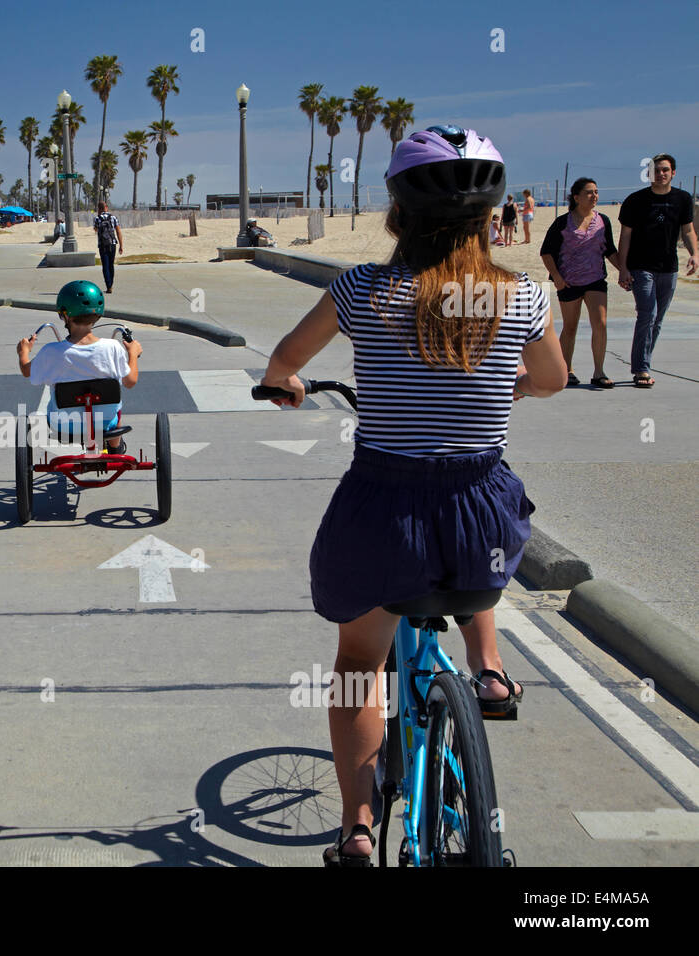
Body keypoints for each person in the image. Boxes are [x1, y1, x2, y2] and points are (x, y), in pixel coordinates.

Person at [259, 125, 566, 866]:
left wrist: (287, 386)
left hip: (383, 512)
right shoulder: (524, 296)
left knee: (360, 665)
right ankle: (487, 667)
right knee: (480, 504)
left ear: (397, 215)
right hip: (478, 514)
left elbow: (284, 361)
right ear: (490, 217)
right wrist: (505, 388)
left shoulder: (362, 290)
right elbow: (553, 379)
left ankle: (359, 826)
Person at [16, 280, 141, 452]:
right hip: (106, 424)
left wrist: (23, 352)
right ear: (98, 314)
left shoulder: (51, 351)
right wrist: (132, 354)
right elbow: (130, 381)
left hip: (64, 426)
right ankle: (115, 446)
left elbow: (26, 371)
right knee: (115, 400)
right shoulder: (112, 347)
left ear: (64, 315)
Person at [617, 153, 698, 387]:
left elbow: (688, 230)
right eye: (656, 170)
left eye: (665, 170)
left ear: (673, 173)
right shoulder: (635, 200)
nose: (660, 174)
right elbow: (625, 236)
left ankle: (644, 361)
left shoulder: (683, 199)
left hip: (669, 268)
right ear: (649, 173)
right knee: (647, 314)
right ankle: (641, 369)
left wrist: (695, 254)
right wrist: (623, 268)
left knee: (658, 320)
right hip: (641, 267)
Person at [540, 177, 621, 388]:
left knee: (600, 324)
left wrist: (624, 270)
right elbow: (546, 252)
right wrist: (557, 277)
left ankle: (599, 372)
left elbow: (610, 250)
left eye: (596, 192)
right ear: (576, 197)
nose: (594, 196)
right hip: (569, 282)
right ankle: (566, 370)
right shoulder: (562, 222)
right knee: (570, 327)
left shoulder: (603, 220)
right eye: (589, 192)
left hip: (595, 280)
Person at [92, 202, 124, 293]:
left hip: (102, 245)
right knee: (111, 265)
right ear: (106, 207)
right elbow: (118, 232)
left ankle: (108, 285)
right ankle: (111, 284)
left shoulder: (97, 218)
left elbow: (95, 230)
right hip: (112, 244)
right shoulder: (113, 218)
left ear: (99, 209)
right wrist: (121, 245)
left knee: (105, 266)